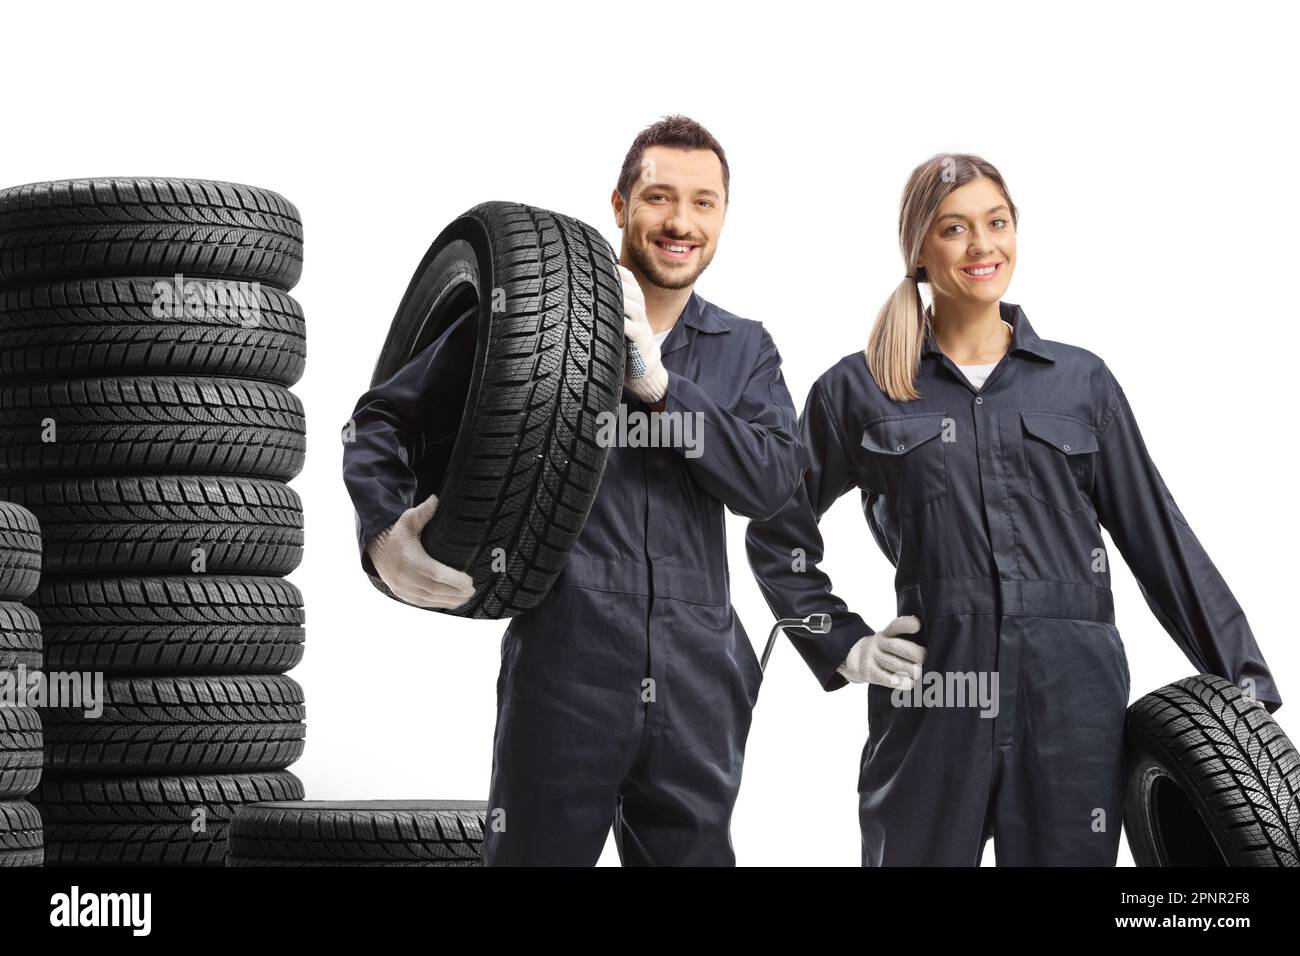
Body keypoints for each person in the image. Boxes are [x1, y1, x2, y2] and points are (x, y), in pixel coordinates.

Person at [744, 153, 1283, 866]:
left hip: (1071, 696)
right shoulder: (862, 387)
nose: (981, 247)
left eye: (996, 223)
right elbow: (777, 525)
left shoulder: (1079, 383)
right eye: (955, 229)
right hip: (934, 688)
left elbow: (1161, 540)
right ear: (919, 250)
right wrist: (844, 645)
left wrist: (1244, 687)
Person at [345, 115, 804, 865]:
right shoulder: (528, 320)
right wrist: (382, 532)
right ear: (620, 205)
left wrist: (660, 385)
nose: (681, 222)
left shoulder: (745, 347)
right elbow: (382, 422)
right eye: (659, 197)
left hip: (701, 674)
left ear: (723, 214)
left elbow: (771, 479)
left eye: (704, 202)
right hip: (569, 659)